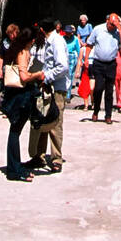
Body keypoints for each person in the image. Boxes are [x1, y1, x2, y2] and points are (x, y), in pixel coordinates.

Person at [0, 27, 45, 182]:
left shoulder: (16, 49)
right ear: (31, 40)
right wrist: (38, 75)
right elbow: (24, 77)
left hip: (16, 95)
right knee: (15, 132)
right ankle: (14, 170)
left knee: (15, 131)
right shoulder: (23, 52)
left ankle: (14, 166)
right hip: (21, 96)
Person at [27, 17, 69, 172]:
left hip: (57, 88)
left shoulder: (56, 41)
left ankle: (56, 158)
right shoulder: (48, 41)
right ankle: (39, 156)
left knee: (55, 122)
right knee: (43, 120)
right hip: (47, 88)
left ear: (43, 30)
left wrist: (47, 77)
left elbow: (63, 66)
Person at [83, 13, 121, 123]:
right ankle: (96, 111)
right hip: (98, 63)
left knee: (109, 91)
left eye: (114, 24)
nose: (111, 26)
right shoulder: (98, 29)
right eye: (110, 24)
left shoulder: (117, 32)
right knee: (98, 88)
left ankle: (108, 115)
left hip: (111, 64)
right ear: (107, 21)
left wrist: (118, 27)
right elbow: (89, 44)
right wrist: (86, 60)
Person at [0, 23, 19, 109]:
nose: (12, 35)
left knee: (16, 89)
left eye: (13, 33)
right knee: (7, 89)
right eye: (10, 33)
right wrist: (0, 70)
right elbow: (1, 57)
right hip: (6, 68)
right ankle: (7, 107)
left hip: (16, 68)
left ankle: (15, 107)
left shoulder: (19, 43)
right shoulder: (5, 43)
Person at [64, 25, 81, 103]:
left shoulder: (75, 39)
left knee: (70, 76)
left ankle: (68, 95)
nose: (67, 34)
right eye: (66, 32)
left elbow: (78, 50)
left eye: (69, 32)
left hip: (72, 57)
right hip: (64, 56)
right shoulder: (62, 38)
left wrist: (80, 61)